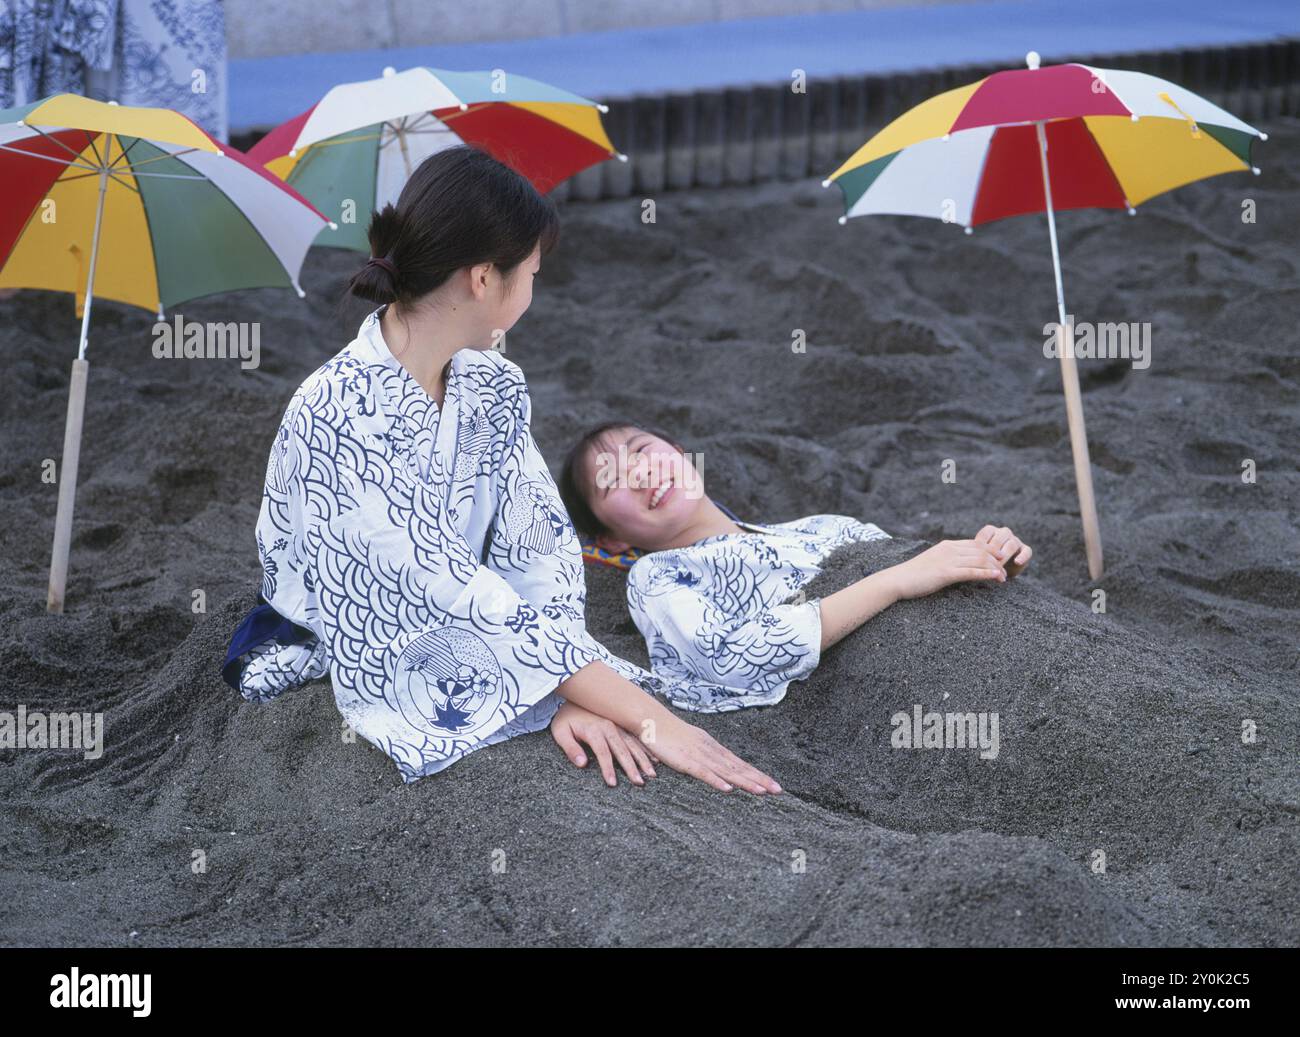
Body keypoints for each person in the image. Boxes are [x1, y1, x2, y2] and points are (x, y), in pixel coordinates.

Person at [223, 146, 781, 796]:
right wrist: (643, 715)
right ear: (484, 279)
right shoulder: (337, 411)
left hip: (472, 610)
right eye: (533, 272)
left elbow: (538, 546)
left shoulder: (492, 382)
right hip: (359, 625)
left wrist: (574, 689)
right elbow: (439, 587)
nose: (536, 289)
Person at [558, 421, 1032, 710]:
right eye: (612, 480)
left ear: (678, 451)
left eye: (641, 451)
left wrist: (988, 560)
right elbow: (731, 659)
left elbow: (921, 567)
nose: (640, 471)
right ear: (611, 540)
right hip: (917, 689)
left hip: (1005, 641)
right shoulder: (658, 576)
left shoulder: (824, 526)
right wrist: (894, 584)